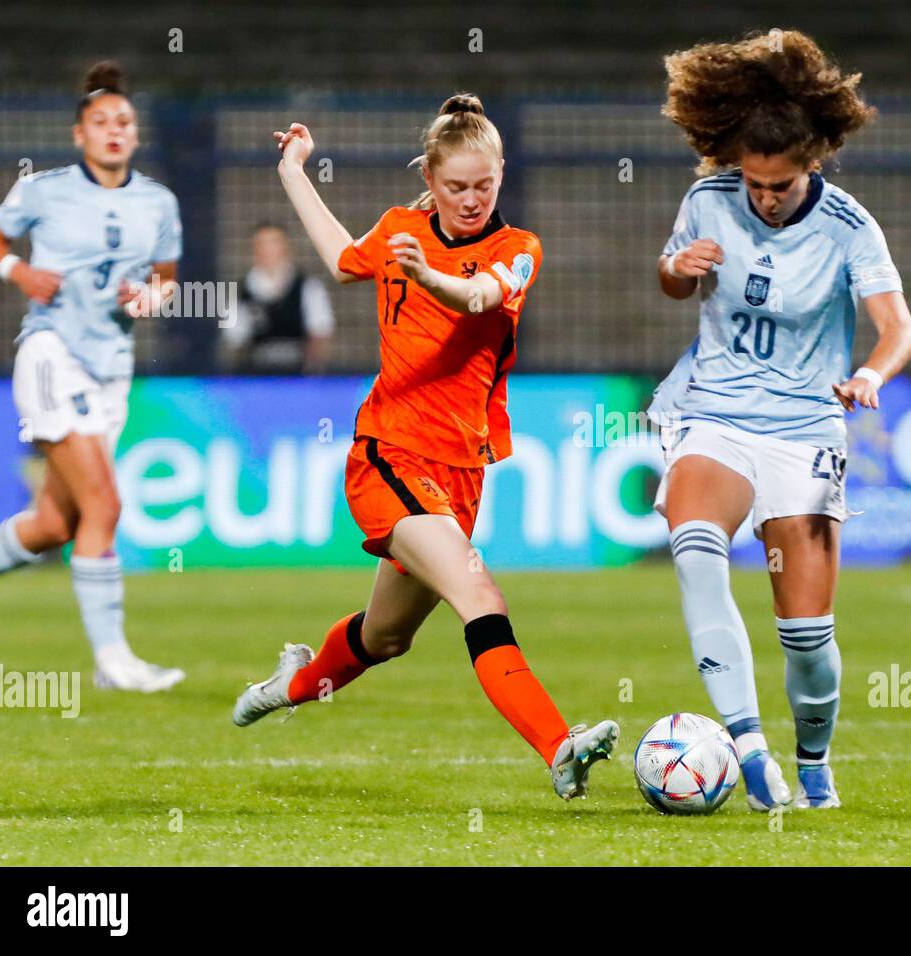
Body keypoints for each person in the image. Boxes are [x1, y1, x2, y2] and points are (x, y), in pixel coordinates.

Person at [233, 94, 618, 801]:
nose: (471, 200)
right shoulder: (401, 229)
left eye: (484, 185)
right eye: (455, 186)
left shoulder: (517, 249)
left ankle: (288, 683)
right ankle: (559, 747)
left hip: (462, 470)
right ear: (429, 178)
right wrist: (293, 170)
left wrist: (426, 276)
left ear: (500, 175)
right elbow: (346, 259)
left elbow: (479, 299)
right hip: (389, 454)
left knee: (385, 639)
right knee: (479, 592)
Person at [649, 31, 911, 810]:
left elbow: (897, 327)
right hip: (716, 414)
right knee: (696, 553)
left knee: (806, 636)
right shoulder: (708, 199)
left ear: (812, 161)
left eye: (779, 182)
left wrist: (870, 372)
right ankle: (748, 747)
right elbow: (671, 280)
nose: (763, 196)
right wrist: (678, 269)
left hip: (804, 431)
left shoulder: (848, 227)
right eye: (753, 181)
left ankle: (813, 759)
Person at [0, 60, 185, 692]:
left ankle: (112, 660)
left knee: (52, 525)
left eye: (124, 121)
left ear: (136, 134)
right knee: (105, 503)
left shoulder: (158, 202)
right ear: (79, 135)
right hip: (50, 354)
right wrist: (19, 271)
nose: (114, 131)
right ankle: (113, 662)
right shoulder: (45, 190)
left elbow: (168, 280)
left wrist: (151, 300)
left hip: (110, 372)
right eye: (101, 122)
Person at [221, 222, 334, 374]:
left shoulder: (309, 288)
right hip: (256, 377)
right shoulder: (240, 294)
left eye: (274, 243)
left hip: (299, 375)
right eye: (262, 244)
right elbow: (234, 340)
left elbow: (320, 332)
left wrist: (311, 370)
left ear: (286, 248)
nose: (269, 250)